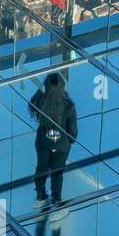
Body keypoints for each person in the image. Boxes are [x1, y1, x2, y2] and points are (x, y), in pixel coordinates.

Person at [29, 72, 78, 218]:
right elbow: (73, 132)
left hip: (43, 141)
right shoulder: (68, 105)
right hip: (61, 144)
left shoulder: (40, 99)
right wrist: (70, 141)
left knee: (41, 167)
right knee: (57, 172)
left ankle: (40, 196)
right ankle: (56, 201)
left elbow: (31, 106)